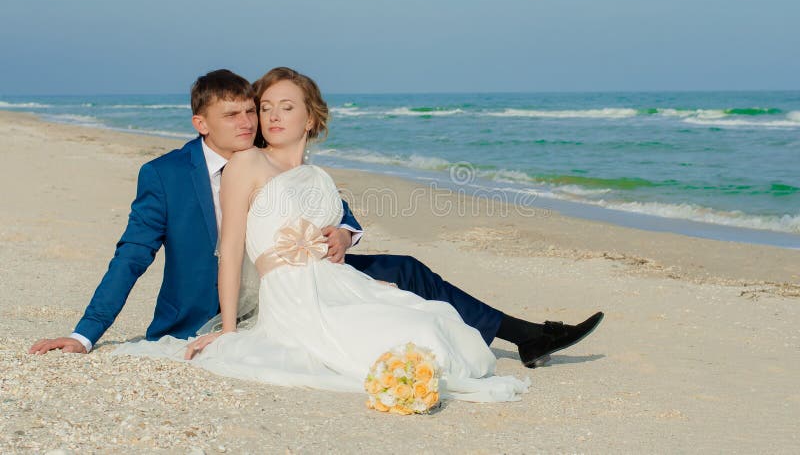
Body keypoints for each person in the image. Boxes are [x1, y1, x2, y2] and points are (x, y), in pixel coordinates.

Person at [29, 69, 603, 367]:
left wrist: (343, 233)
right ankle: (521, 336)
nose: (249, 123)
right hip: (215, 306)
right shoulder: (165, 175)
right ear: (201, 122)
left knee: (404, 268)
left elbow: (329, 206)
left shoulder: (271, 160)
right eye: (233, 115)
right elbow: (132, 255)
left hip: (300, 276)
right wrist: (85, 335)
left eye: (252, 112)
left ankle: (526, 335)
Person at [114, 66, 532, 402]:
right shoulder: (247, 165)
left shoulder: (319, 177)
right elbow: (230, 250)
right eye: (266, 108)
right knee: (413, 337)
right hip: (289, 299)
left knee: (429, 323)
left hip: (334, 283)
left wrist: (345, 236)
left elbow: (339, 224)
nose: (272, 116)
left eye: (286, 107)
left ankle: (523, 335)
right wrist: (227, 331)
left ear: (310, 118)